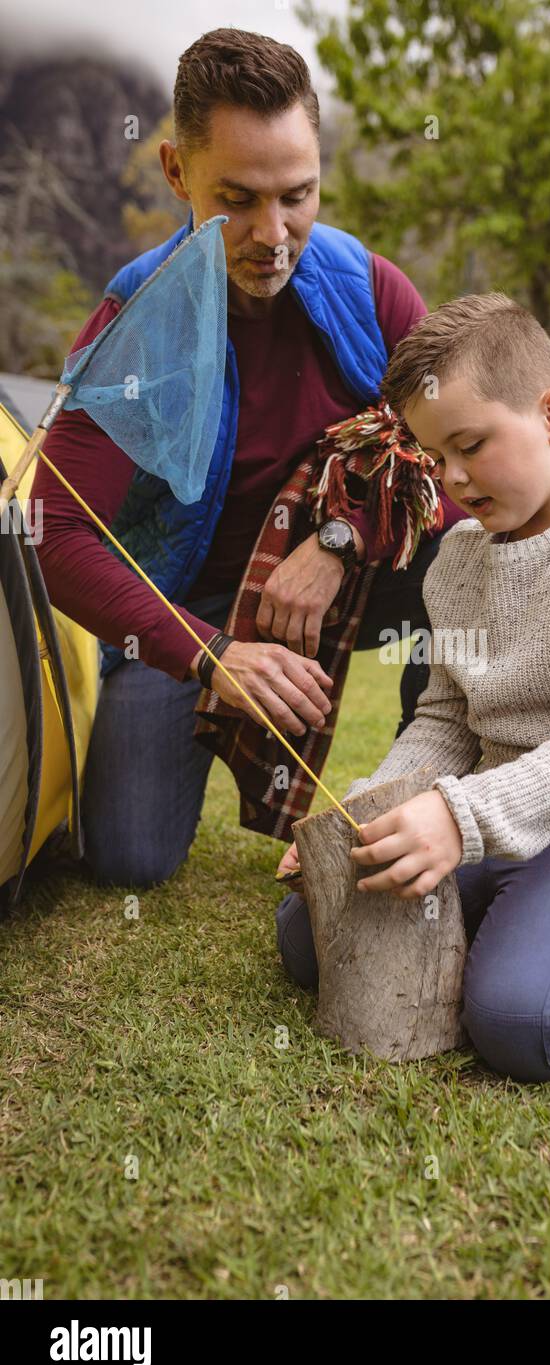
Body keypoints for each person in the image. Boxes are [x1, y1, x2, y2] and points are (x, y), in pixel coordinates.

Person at [30, 28, 462, 888]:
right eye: (239, 197)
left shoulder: (373, 289)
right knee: (130, 856)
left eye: (297, 195)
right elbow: (51, 532)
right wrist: (208, 652)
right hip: (199, 612)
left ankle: (445, 795)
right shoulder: (135, 327)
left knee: (473, 558)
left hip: (350, 572)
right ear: (175, 172)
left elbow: (459, 463)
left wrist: (340, 539)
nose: (274, 235)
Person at [276, 292, 550, 1083]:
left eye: (471, 445)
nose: (453, 478)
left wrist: (462, 816)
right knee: (305, 939)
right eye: (435, 458)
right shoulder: (457, 557)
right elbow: (445, 720)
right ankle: (531, 909)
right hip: (499, 815)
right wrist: (370, 811)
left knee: (525, 1023)